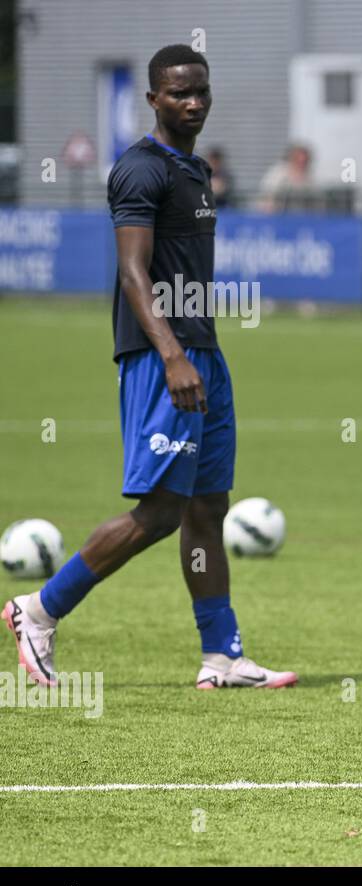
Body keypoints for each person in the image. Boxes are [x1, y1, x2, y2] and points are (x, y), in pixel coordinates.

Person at [3, 45, 297, 690]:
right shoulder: (140, 169)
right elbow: (133, 273)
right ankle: (39, 609)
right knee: (162, 511)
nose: (193, 102)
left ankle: (222, 654)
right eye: (178, 93)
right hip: (165, 356)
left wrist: (199, 355)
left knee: (208, 508)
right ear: (153, 99)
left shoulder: (191, 168)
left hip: (204, 352)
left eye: (201, 91)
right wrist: (170, 355)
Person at [256, 143, 316, 212]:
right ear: (292, 159)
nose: (301, 164)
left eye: (304, 162)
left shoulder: (310, 177)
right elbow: (267, 196)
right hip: (277, 214)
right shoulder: (278, 173)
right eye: (298, 161)